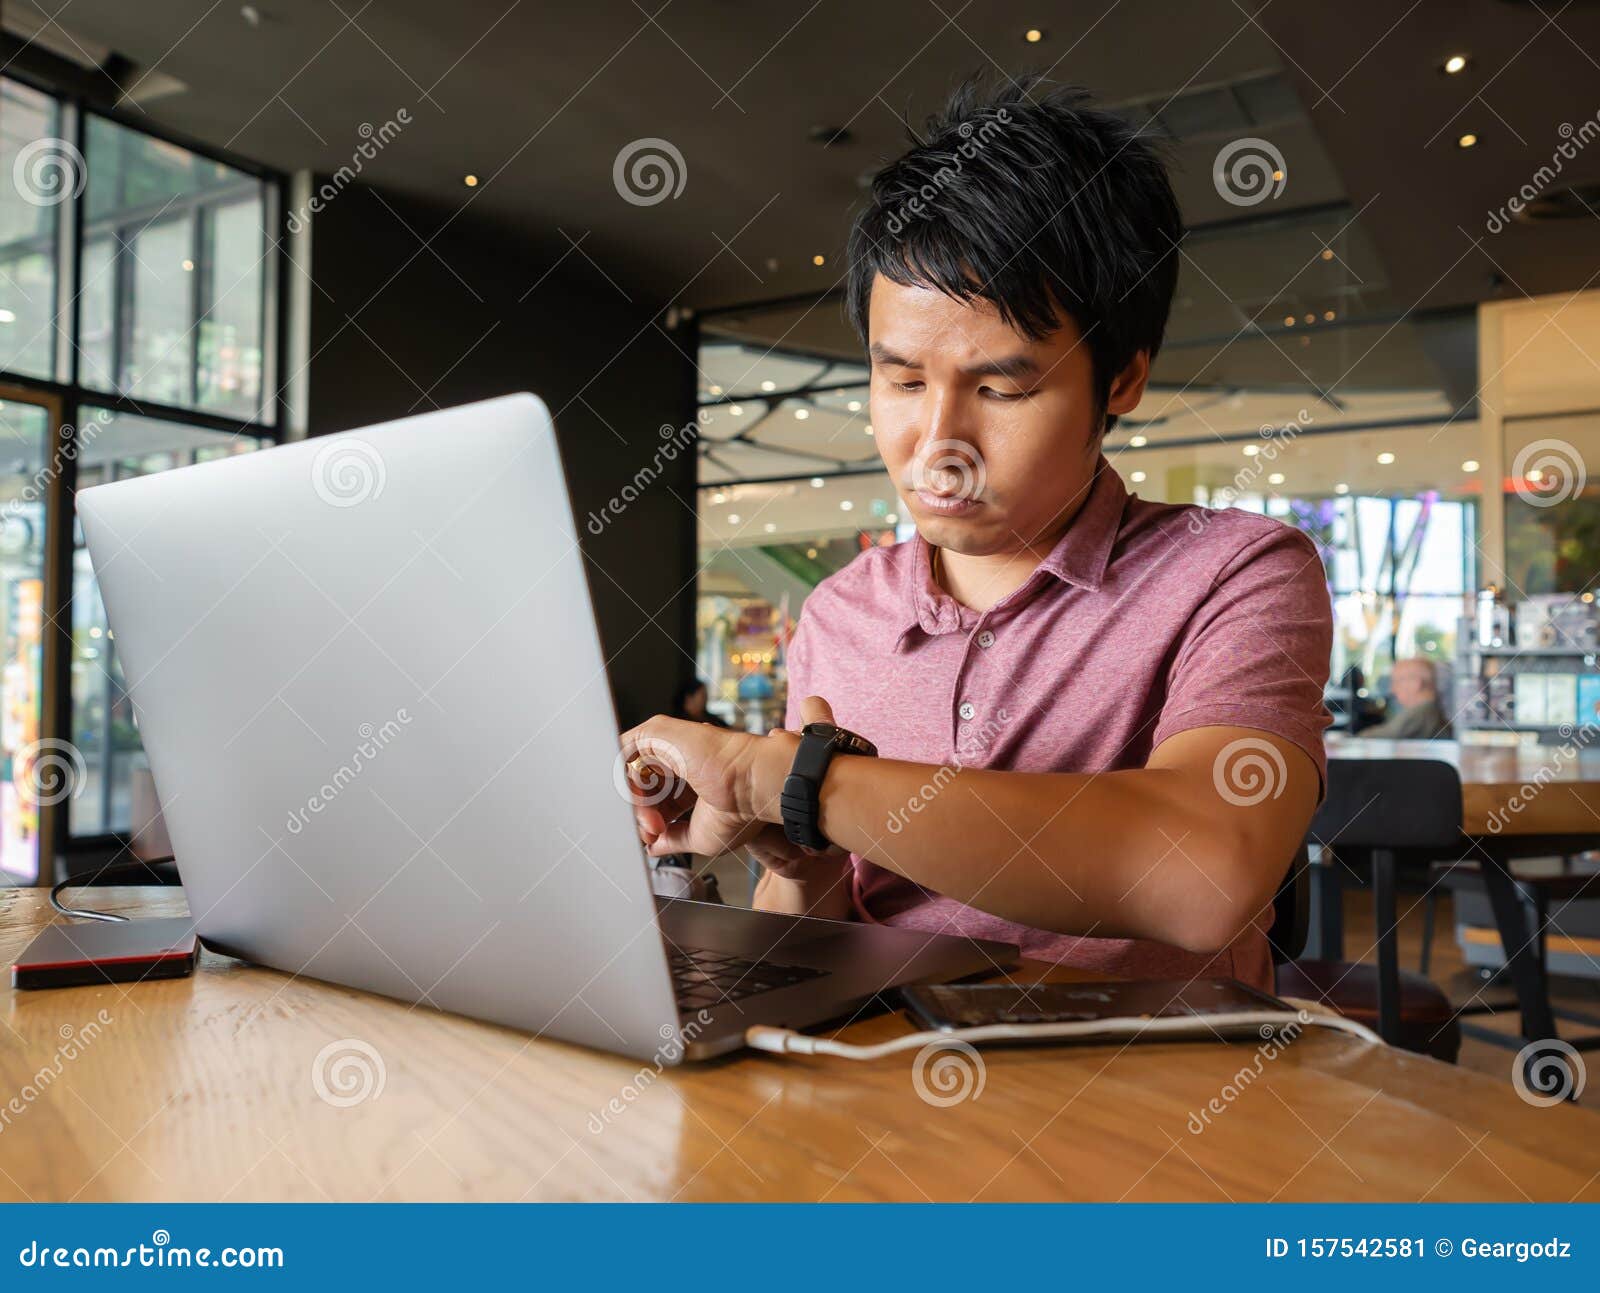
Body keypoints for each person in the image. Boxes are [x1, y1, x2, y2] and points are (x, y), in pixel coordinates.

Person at [624, 77, 1331, 992]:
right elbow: (813, 927)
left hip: (1144, 1099)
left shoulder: (1235, 572)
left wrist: (790, 781)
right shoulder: (843, 611)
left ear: (1121, 379)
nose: (939, 446)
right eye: (904, 383)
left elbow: (1205, 869)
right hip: (879, 1087)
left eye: (1001, 388)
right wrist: (808, 864)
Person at [1360, 658, 1453, 740]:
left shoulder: (1421, 713)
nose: (1393, 690)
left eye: (1397, 682)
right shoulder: (1430, 711)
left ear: (1416, 683)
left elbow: (1386, 735)